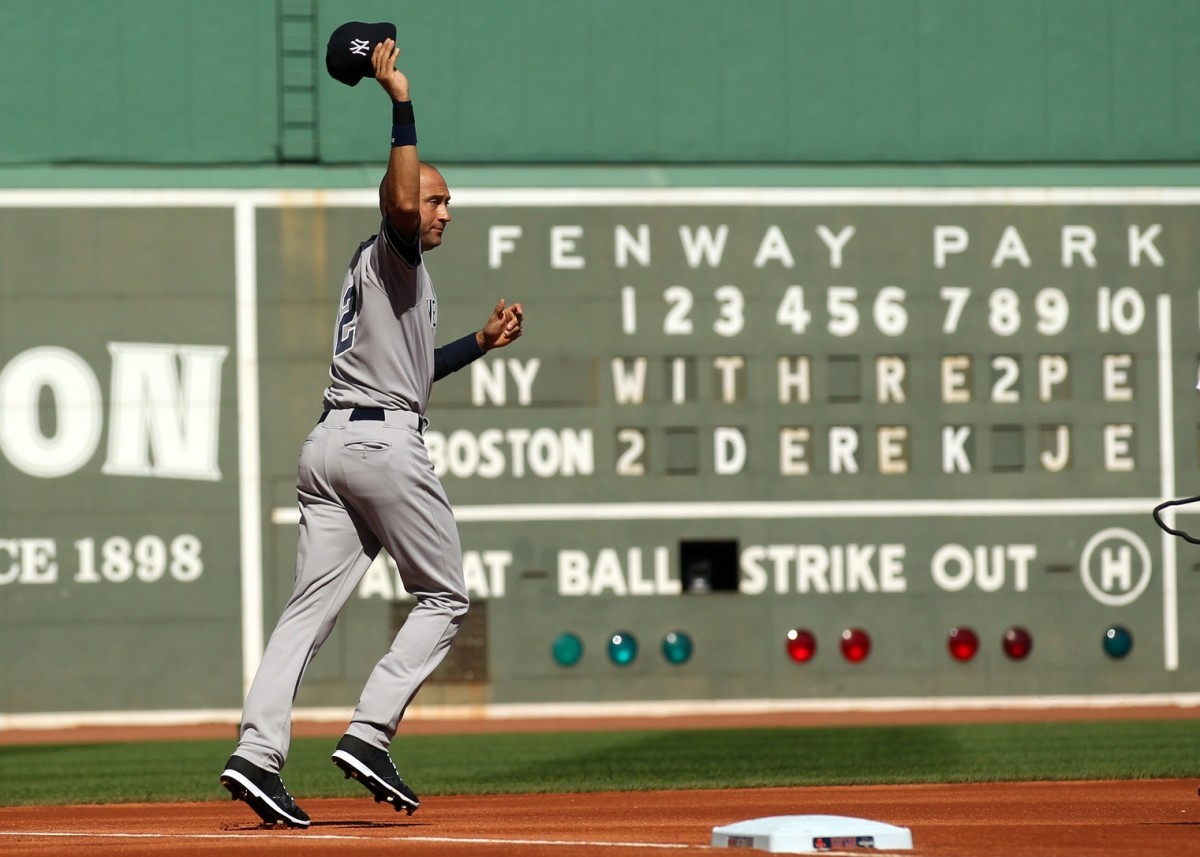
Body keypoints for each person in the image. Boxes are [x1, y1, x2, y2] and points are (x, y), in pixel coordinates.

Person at [219, 37, 524, 828]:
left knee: (304, 614)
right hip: (382, 447)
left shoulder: (393, 275)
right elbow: (397, 200)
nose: (445, 210)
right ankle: (370, 729)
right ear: (406, 201)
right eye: (438, 198)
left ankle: (257, 752)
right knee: (444, 593)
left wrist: (478, 346)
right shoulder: (396, 249)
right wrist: (399, 101)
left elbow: (411, 377)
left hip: (329, 447)